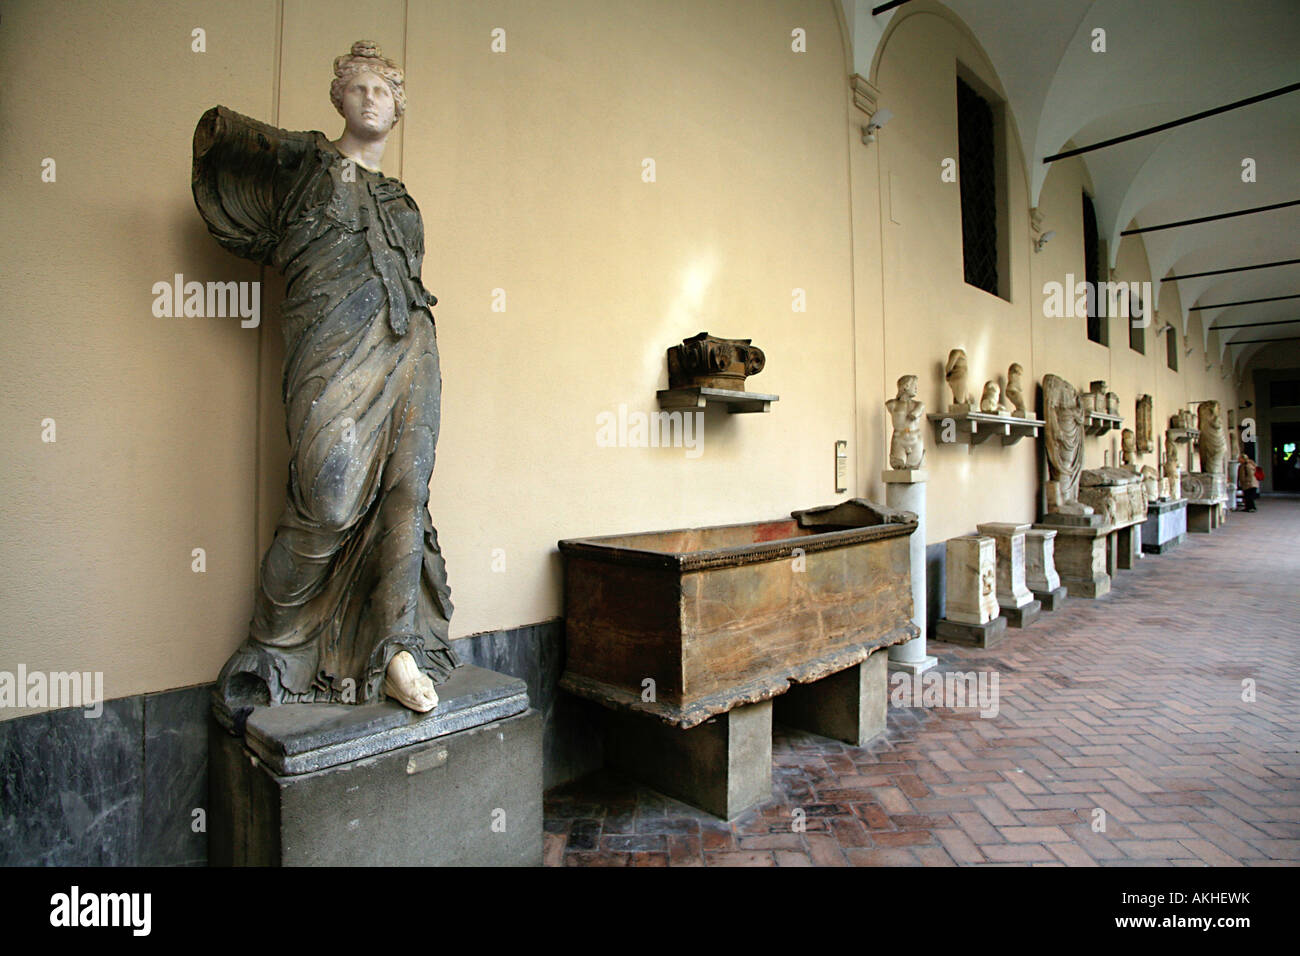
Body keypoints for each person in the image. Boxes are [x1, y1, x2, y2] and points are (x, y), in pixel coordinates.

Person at [193, 42, 458, 714]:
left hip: (412, 351)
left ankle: (395, 648)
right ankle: (273, 643)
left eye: (384, 91)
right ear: (339, 97)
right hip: (333, 349)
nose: (372, 99)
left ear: (398, 109)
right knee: (330, 498)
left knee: (406, 497)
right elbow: (230, 148)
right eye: (359, 88)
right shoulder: (307, 167)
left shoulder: (401, 201)